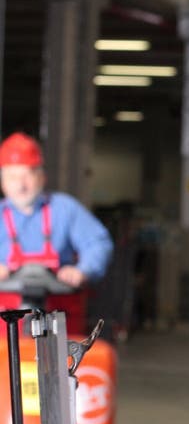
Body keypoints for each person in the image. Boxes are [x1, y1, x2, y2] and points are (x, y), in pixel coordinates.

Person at [0, 132, 113, 334]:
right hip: (4, 324)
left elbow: (98, 242)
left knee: (62, 356)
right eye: (12, 176)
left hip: (61, 318)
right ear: (2, 181)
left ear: (42, 177)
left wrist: (83, 270)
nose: (20, 185)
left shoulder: (65, 209)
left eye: (27, 175)